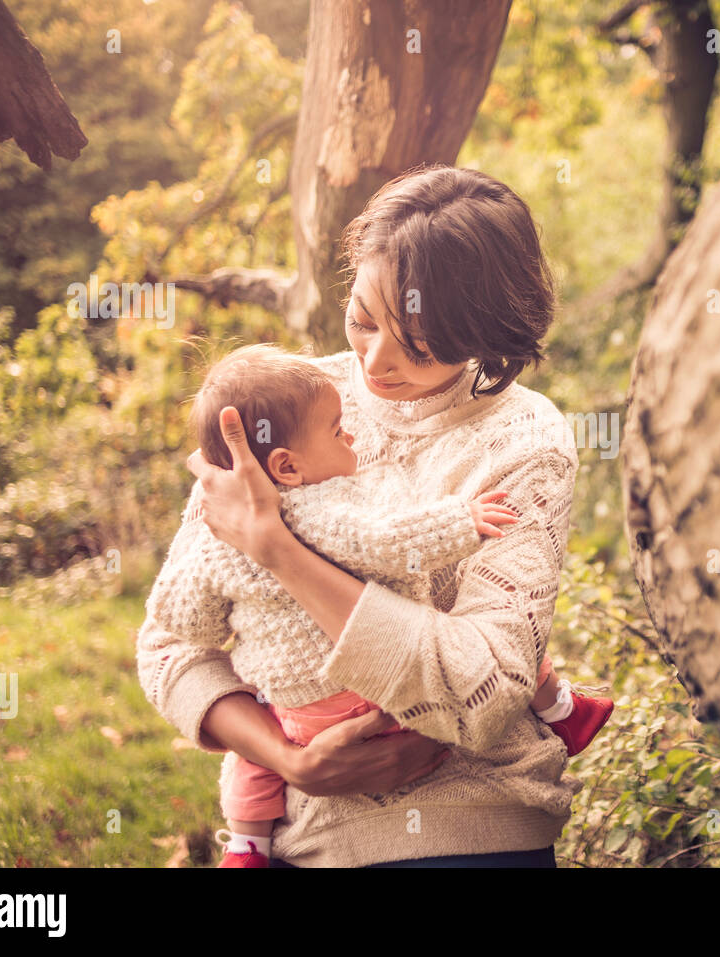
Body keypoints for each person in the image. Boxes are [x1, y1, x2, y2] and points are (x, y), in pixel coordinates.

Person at [136, 164, 601, 867]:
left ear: (484, 327)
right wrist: (288, 761)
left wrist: (281, 552)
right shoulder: (287, 406)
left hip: (471, 827)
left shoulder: (525, 441)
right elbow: (169, 644)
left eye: (419, 343)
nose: (376, 361)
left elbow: (487, 695)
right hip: (298, 830)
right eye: (362, 318)